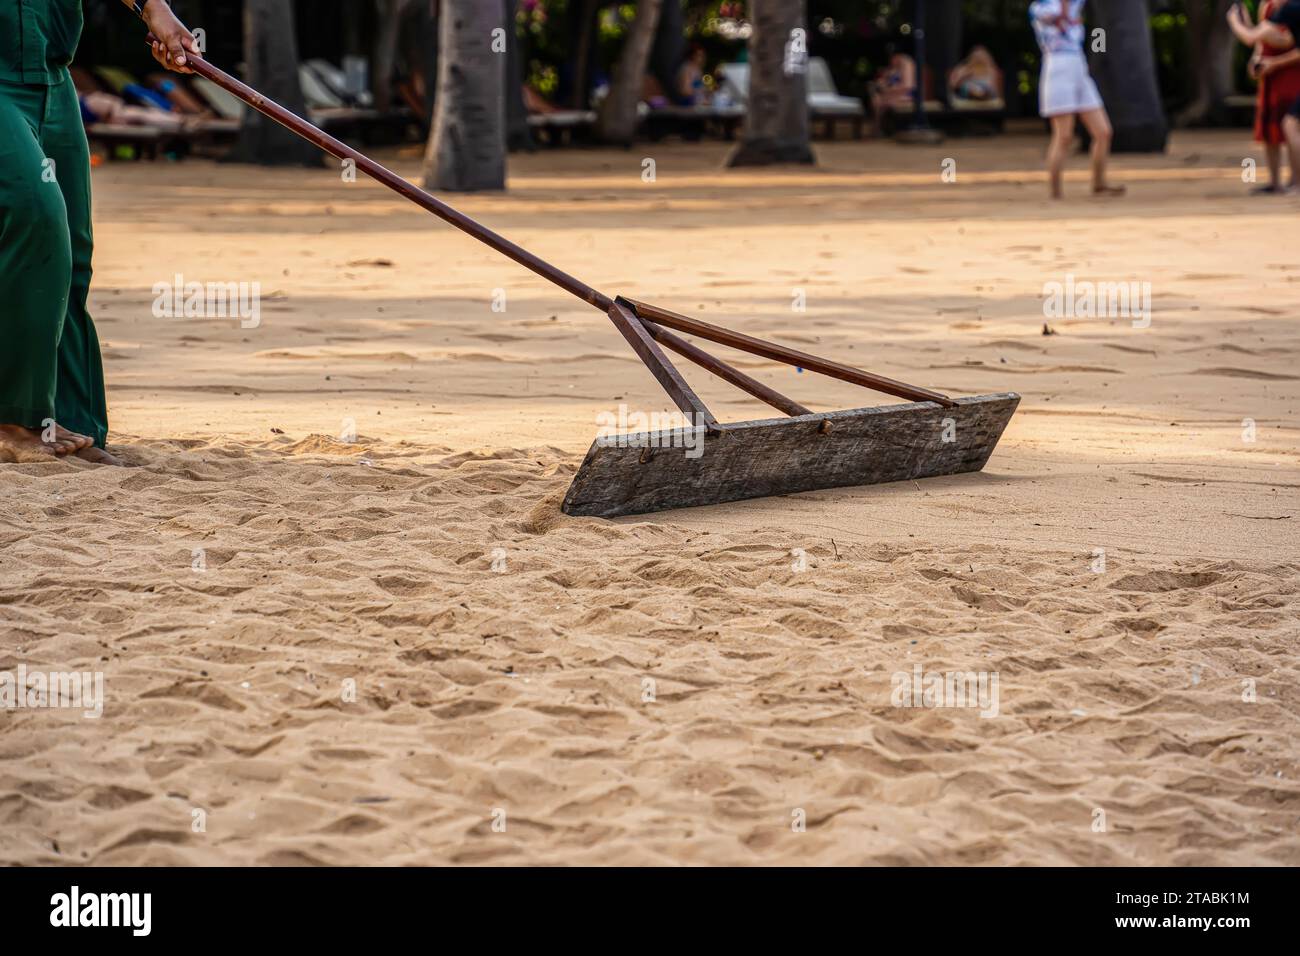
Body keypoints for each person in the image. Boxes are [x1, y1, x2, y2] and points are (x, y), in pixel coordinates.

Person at [0, 0, 197, 464]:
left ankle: (67, 417)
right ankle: (14, 417)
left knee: (72, 250)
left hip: (53, 74)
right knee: (36, 217)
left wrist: (155, 8)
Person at [1029, 0, 1124, 199]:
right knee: (1064, 135)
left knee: (1103, 132)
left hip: (1078, 68)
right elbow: (1060, 18)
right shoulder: (1040, 7)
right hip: (1058, 67)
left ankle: (1099, 183)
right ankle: (1055, 192)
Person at [1229, 1, 1300, 191]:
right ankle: (1276, 182)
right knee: (1272, 128)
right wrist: (1256, 60)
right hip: (1271, 75)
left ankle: (1296, 180)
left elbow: (1282, 40)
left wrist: (1235, 21)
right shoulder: (1268, 6)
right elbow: (1259, 38)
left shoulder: (1292, 8)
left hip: (1290, 75)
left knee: (1290, 125)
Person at [869, 49, 917, 136]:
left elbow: (907, 86)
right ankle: (879, 127)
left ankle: (879, 128)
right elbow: (888, 81)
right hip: (895, 94)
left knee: (882, 102)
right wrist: (882, 83)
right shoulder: (893, 67)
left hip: (907, 95)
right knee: (876, 99)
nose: (891, 62)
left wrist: (888, 90)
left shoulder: (906, 63)